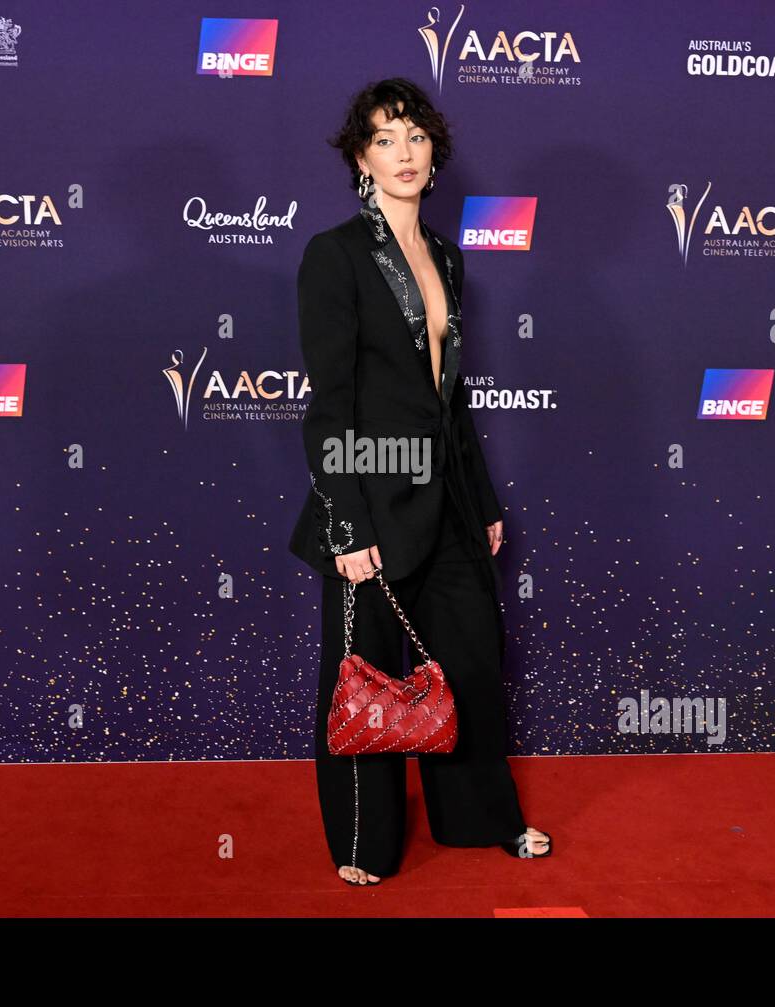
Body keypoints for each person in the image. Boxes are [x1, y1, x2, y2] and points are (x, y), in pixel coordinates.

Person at [286, 77, 551, 886]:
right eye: (385, 140)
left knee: (468, 660)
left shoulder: (445, 255)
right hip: (368, 499)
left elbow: (450, 397)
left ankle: (480, 818)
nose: (403, 154)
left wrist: (485, 502)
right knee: (365, 679)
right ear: (360, 160)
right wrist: (348, 523)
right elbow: (331, 406)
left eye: (415, 137)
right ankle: (363, 842)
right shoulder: (334, 256)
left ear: (434, 152)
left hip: (450, 499)